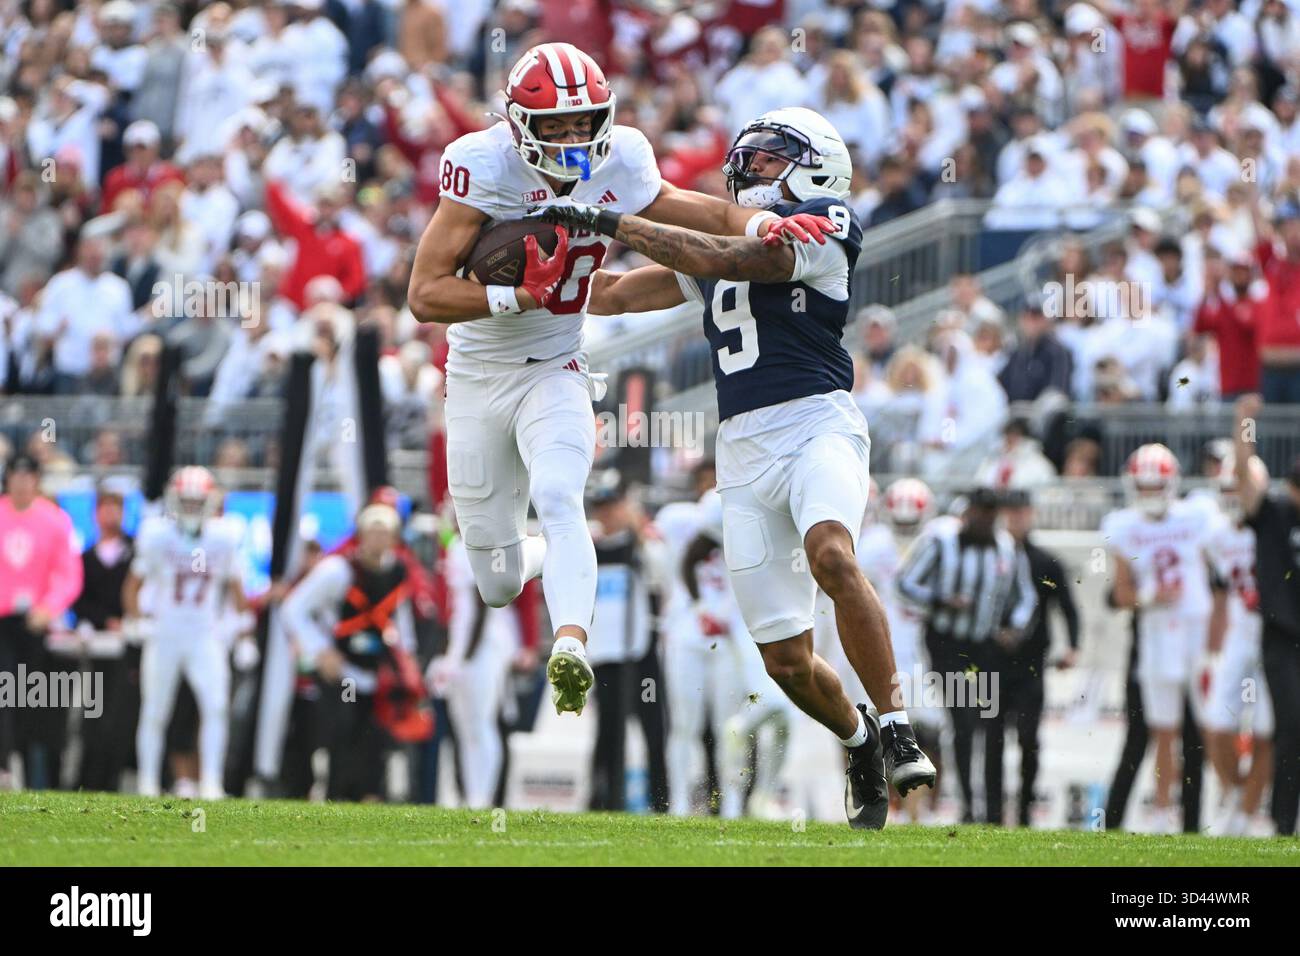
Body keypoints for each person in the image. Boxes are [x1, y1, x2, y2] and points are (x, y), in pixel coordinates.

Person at [405, 44, 829, 721]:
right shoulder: (480, 164)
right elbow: (424, 296)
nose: (575, 139)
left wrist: (767, 223)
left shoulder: (623, 157)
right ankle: (535, 556)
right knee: (495, 580)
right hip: (478, 373)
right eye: (557, 126)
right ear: (519, 124)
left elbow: (708, 214)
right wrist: (520, 295)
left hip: (556, 365)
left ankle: (569, 643)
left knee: (558, 492)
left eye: (584, 123)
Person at [554, 105, 938, 829]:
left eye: (769, 158)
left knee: (832, 553)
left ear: (816, 164)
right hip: (742, 449)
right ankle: (857, 740)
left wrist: (609, 222)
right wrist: (517, 273)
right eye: (751, 157)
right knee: (786, 663)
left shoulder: (826, 221)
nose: (750, 169)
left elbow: (737, 260)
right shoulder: (719, 237)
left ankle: (895, 726)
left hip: (817, 423)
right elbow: (609, 295)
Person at [897, 487, 1037, 824]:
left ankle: (982, 807)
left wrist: (1015, 629)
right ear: (968, 512)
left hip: (984, 647)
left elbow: (1026, 596)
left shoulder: (1005, 547)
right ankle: (967, 806)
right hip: (945, 642)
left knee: (983, 723)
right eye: (981, 511)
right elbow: (906, 583)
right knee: (961, 720)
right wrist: (941, 600)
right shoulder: (940, 541)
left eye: (992, 512)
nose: (986, 518)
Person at [1101, 444, 1216, 833]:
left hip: (1197, 635)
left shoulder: (1198, 513)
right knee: (1157, 730)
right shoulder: (1124, 525)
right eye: (1144, 487)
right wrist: (1151, 596)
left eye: (1156, 486)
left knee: (1203, 730)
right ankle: (1161, 811)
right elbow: (1118, 593)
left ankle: (1207, 815)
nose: (1150, 494)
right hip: (1154, 636)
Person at [280, 502, 420, 802]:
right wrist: (321, 652)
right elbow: (294, 609)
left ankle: (368, 797)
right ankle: (333, 797)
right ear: (360, 535)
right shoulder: (338, 570)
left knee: (374, 739)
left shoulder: (397, 572)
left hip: (377, 671)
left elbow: (401, 620)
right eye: (373, 532)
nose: (379, 540)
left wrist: (405, 662)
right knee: (340, 733)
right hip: (343, 670)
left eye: (386, 533)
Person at [123, 467, 248, 800]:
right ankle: (148, 783)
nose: (192, 508)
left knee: (216, 706)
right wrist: (136, 620)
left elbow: (237, 591)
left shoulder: (224, 537)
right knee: (155, 709)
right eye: (187, 501)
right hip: (165, 632)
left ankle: (211, 782)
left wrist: (242, 632)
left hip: (204, 635)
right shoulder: (157, 535)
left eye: (197, 502)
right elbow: (133, 585)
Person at [1232, 394, 1300, 835]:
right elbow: (1244, 475)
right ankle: (1281, 823)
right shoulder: (1275, 512)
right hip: (1281, 638)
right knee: (1292, 726)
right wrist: (1243, 425)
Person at [0, 452, 83, 790]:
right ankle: (4, 763)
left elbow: (68, 573)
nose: (21, 483)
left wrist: (49, 607)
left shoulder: (53, 520)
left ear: (36, 480)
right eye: (15, 476)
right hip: (2, 620)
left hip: (35, 623)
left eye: (27, 476)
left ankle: (18, 762)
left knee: (28, 695)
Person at [1203, 453, 1274, 836]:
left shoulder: (1273, 529)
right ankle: (1235, 795)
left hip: (1276, 640)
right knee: (1216, 725)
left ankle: (1246, 815)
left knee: (1267, 730)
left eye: (1239, 488)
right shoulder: (1215, 534)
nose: (1232, 496)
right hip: (1238, 636)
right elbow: (1218, 589)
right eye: (1227, 489)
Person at [1001, 489, 1081, 827]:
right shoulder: (990, 557)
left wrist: (1073, 647)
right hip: (993, 665)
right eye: (1011, 511)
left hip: (1032, 664)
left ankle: (1024, 811)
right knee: (990, 737)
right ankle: (989, 812)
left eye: (1022, 511)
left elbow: (1068, 608)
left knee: (1029, 739)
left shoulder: (1045, 561)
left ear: (1031, 514)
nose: (1017, 518)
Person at [70, 478, 139, 792]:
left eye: (116, 508)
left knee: (122, 712)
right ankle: (88, 779)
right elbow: (79, 598)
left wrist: (128, 620)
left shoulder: (135, 553)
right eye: (104, 507)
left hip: (128, 645)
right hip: (97, 644)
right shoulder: (85, 557)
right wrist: (102, 620)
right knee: (92, 710)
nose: (110, 515)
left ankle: (115, 779)